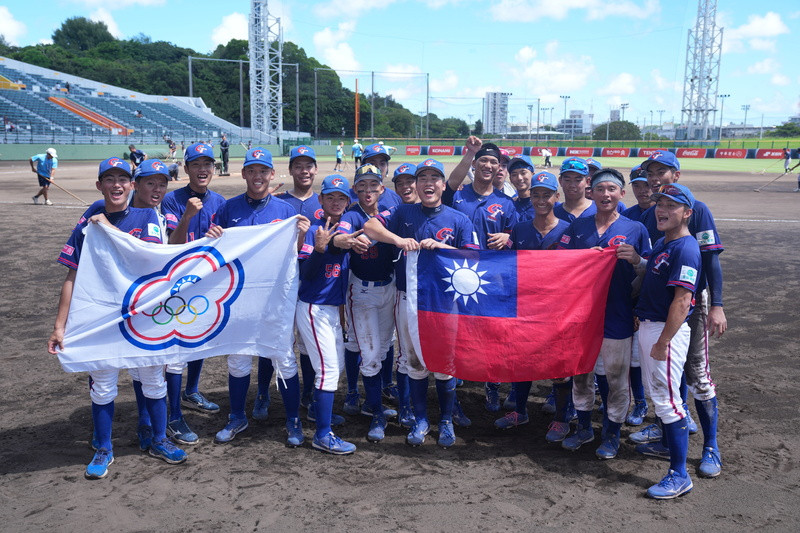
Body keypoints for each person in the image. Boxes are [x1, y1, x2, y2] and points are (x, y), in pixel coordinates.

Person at [48, 157, 187, 480]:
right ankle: (104, 448)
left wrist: (108, 228)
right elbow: (73, 275)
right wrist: (59, 326)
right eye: (109, 179)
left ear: (131, 185)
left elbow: (148, 259)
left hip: (142, 316)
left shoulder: (145, 216)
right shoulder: (89, 220)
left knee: (153, 380)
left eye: (122, 179)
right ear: (100, 185)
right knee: (103, 386)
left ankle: (159, 439)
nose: (116, 185)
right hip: (101, 317)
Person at [363, 159, 480, 448]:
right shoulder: (403, 211)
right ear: (416, 185)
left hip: (444, 302)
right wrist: (398, 239)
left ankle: (446, 421)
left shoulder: (458, 218)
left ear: (443, 185)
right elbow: (369, 226)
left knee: (444, 365)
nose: (428, 183)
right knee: (414, 363)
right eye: (422, 178)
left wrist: (443, 247)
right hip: (408, 299)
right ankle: (421, 419)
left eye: (434, 178)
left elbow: (475, 257)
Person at [204, 147, 309, 446]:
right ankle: (237, 416)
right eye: (252, 170)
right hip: (239, 295)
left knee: (284, 356)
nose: (258, 175)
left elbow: (296, 254)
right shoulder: (228, 208)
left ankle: (293, 421)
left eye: (264, 170)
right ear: (245, 174)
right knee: (238, 358)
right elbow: (216, 251)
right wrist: (212, 237)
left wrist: (301, 234)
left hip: (275, 296)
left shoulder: (287, 211)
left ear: (271, 174)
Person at [632, 150, 726, 480]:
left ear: (677, 174)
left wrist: (717, 305)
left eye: (662, 170)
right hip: (664, 301)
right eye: (650, 171)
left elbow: (711, 259)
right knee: (669, 377)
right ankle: (667, 432)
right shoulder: (651, 212)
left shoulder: (696, 209)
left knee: (696, 372)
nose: (655, 175)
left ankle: (711, 446)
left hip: (690, 303)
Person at [558, 168, 651, 460]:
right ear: (591, 192)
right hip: (582, 316)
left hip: (617, 314)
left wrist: (637, 260)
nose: (606, 194)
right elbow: (560, 268)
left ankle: (611, 433)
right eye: (600, 189)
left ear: (621, 194)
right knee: (581, 374)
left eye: (612, 189)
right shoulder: (577, 229)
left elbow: (649, 274)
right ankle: (584, 427)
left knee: (616, 376)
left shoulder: (635, 229)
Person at [619, 182, 702, 499]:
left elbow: (682, 302)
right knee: (660, 395)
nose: (662, 210)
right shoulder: (664, 243)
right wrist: (637, 259)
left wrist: (664, 341)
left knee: (669, 403)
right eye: (659, 204)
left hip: (665, 332)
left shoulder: (685, 248)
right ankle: (667, 443)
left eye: (671, 205)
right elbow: (653, 275)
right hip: (652, 328)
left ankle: (679, 475)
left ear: (687, 213)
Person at [495, 171, 574, 438]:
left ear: (557, 197)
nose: (541, 200)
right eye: (536, 194)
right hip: (525, 306)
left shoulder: (568, 229)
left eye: (547, 195)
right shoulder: (520, 229)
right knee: (521, 360)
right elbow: (511, 266)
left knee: (560, 366)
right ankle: (520, 410)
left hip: (557, 310)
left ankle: (563, 417)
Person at [443, 140, 518, 413]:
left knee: (492, 334)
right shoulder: (458, 195)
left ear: (499, 168)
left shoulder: (506, 203)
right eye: (483, 161)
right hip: (458, 278)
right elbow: (450, 183)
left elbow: (516, 240)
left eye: (493, 162)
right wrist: (470, 152)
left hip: (492, 280)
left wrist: (508, 237)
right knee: (458, 333)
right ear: (475, 165)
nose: (488, 166)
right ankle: (455, 382)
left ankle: (492, 386)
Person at [160, 143, 227, 445]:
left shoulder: (221, 202)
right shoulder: (172, 200)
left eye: (208, 164)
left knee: (200, 342)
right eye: (196, 164)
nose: (203, 169)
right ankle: (173, 414)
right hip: (176, 286)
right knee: (175, 353)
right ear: (185, 168)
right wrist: (187, 216)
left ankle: (191, 392)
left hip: (207, 285)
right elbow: (172, 245)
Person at [333, 164, 399, 441]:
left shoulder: (392, 213)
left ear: (382, 189)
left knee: (383, 349)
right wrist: (346, 241)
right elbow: (340, 236)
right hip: (362, 291)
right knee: (370, 355)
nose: (368, 190)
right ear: (355, 190)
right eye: (362, 186)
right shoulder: (351, 214)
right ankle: (376, 415)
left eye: (374, 185)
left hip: (390, 288)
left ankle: (373, 403)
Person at [295, 174, 357, 454]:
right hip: (313, 306)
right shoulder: (312, 230)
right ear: (320, 200)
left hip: (331, 309)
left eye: (340, 197)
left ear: (347, 202)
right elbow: (305, 276)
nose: (335, 201)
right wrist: (319, 250)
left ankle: (318, 414)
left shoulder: (345, 227)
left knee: (337, 367)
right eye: (330, 196)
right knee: (328, 371)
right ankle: (322, 434)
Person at [621, 165, 653, 427]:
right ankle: (640, 402)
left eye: (646, 184)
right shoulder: (627, 214)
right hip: (632, 291)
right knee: (632, 357)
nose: (643, 190)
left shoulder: (668, 212)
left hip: (658, 293)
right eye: (637, 185)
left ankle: (680, 409)